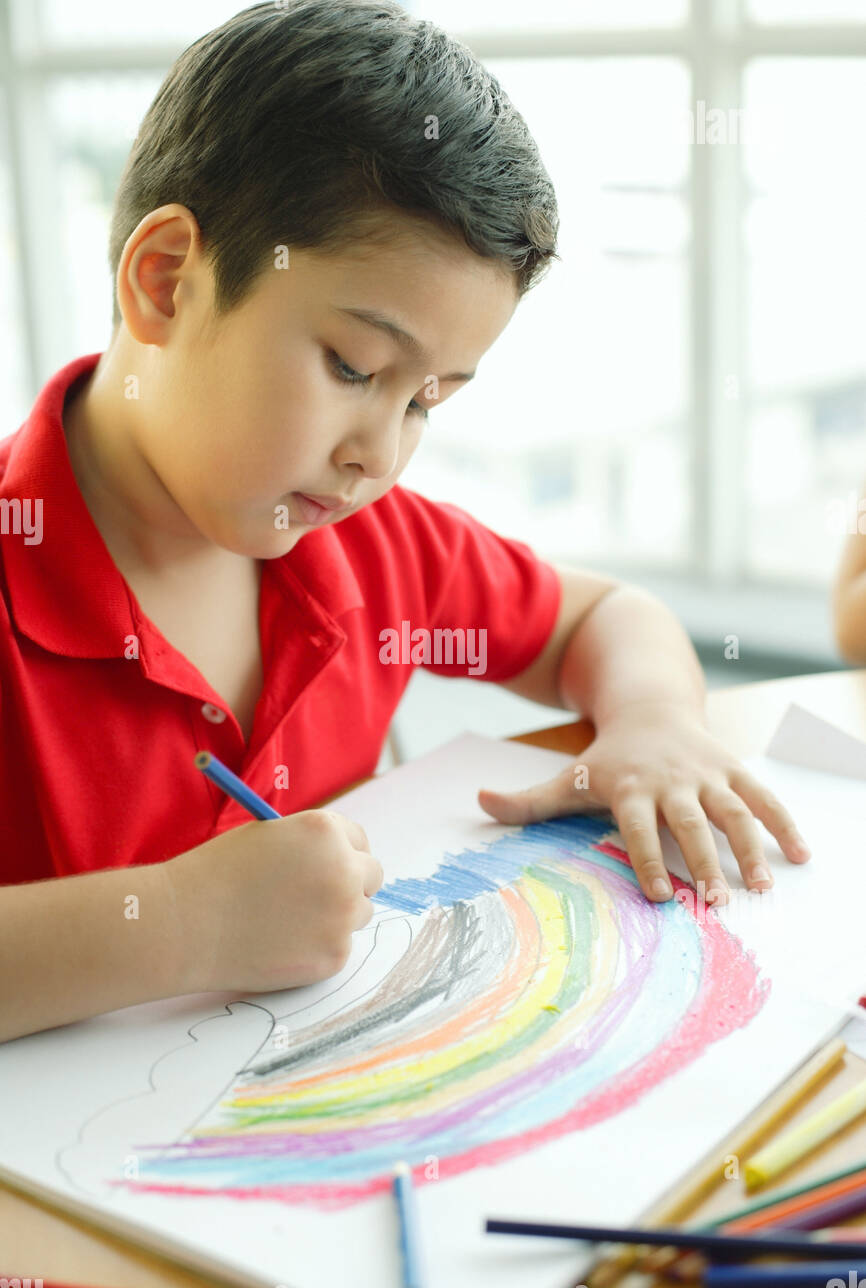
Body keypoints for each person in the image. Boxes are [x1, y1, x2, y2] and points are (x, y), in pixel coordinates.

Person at [0, 0, 809, 1043]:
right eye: (352, 367)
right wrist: (179, 926)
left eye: (426, 401)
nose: (378, 455)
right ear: (165, 282)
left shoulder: (365, 544)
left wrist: (652, 719)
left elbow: (603, 617)